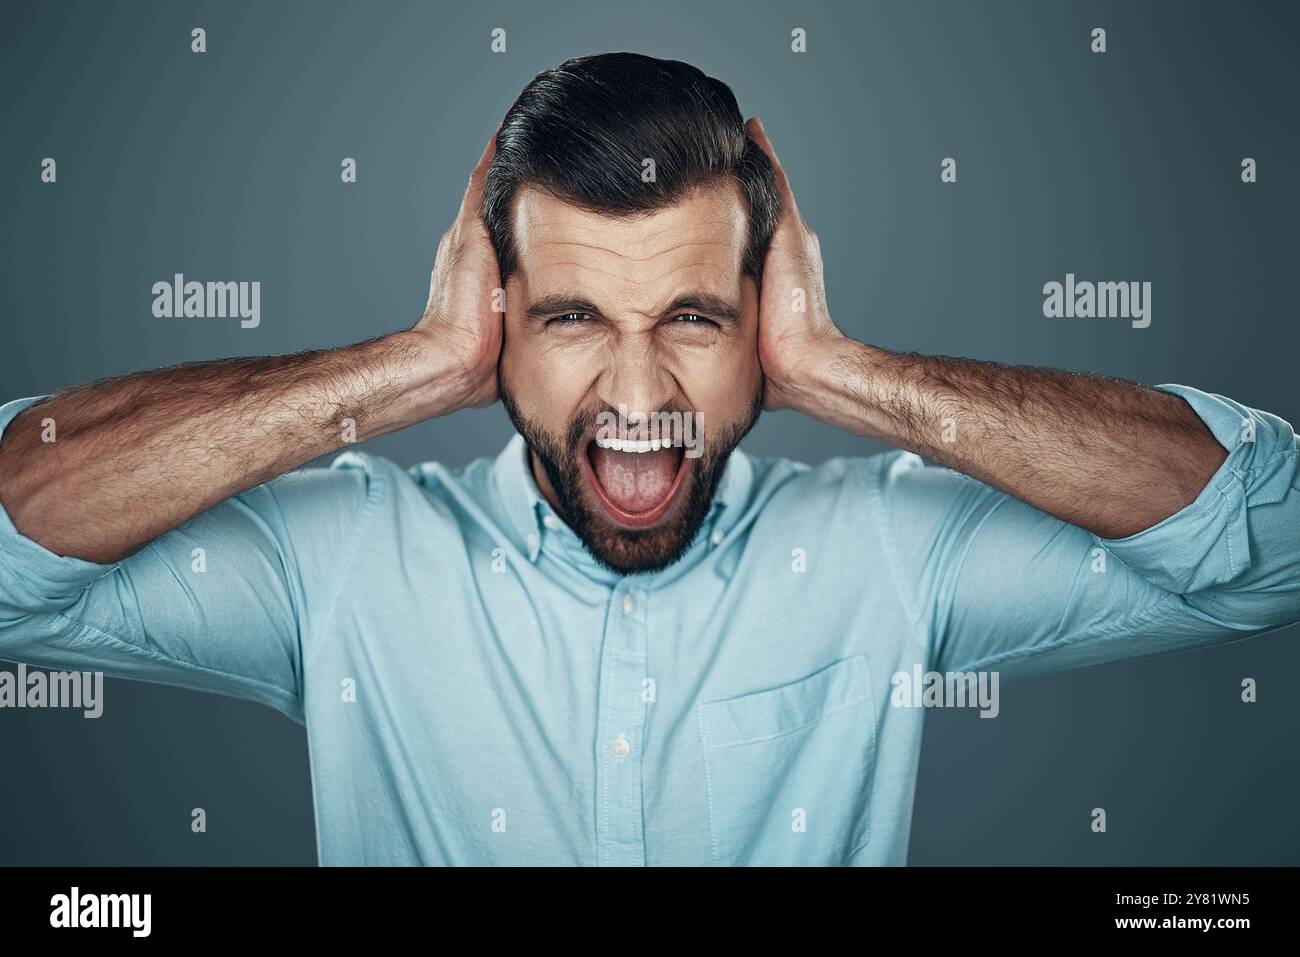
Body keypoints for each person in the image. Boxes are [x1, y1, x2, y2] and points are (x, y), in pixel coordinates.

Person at [0, 53, 1296, 866]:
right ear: (495, 317)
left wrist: (850, 373)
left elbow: (1266, 549)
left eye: (692, 317)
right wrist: (410, 367)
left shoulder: (886, 551)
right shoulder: (347, 564)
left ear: (761, 325)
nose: (636, 394)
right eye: (570, 318)